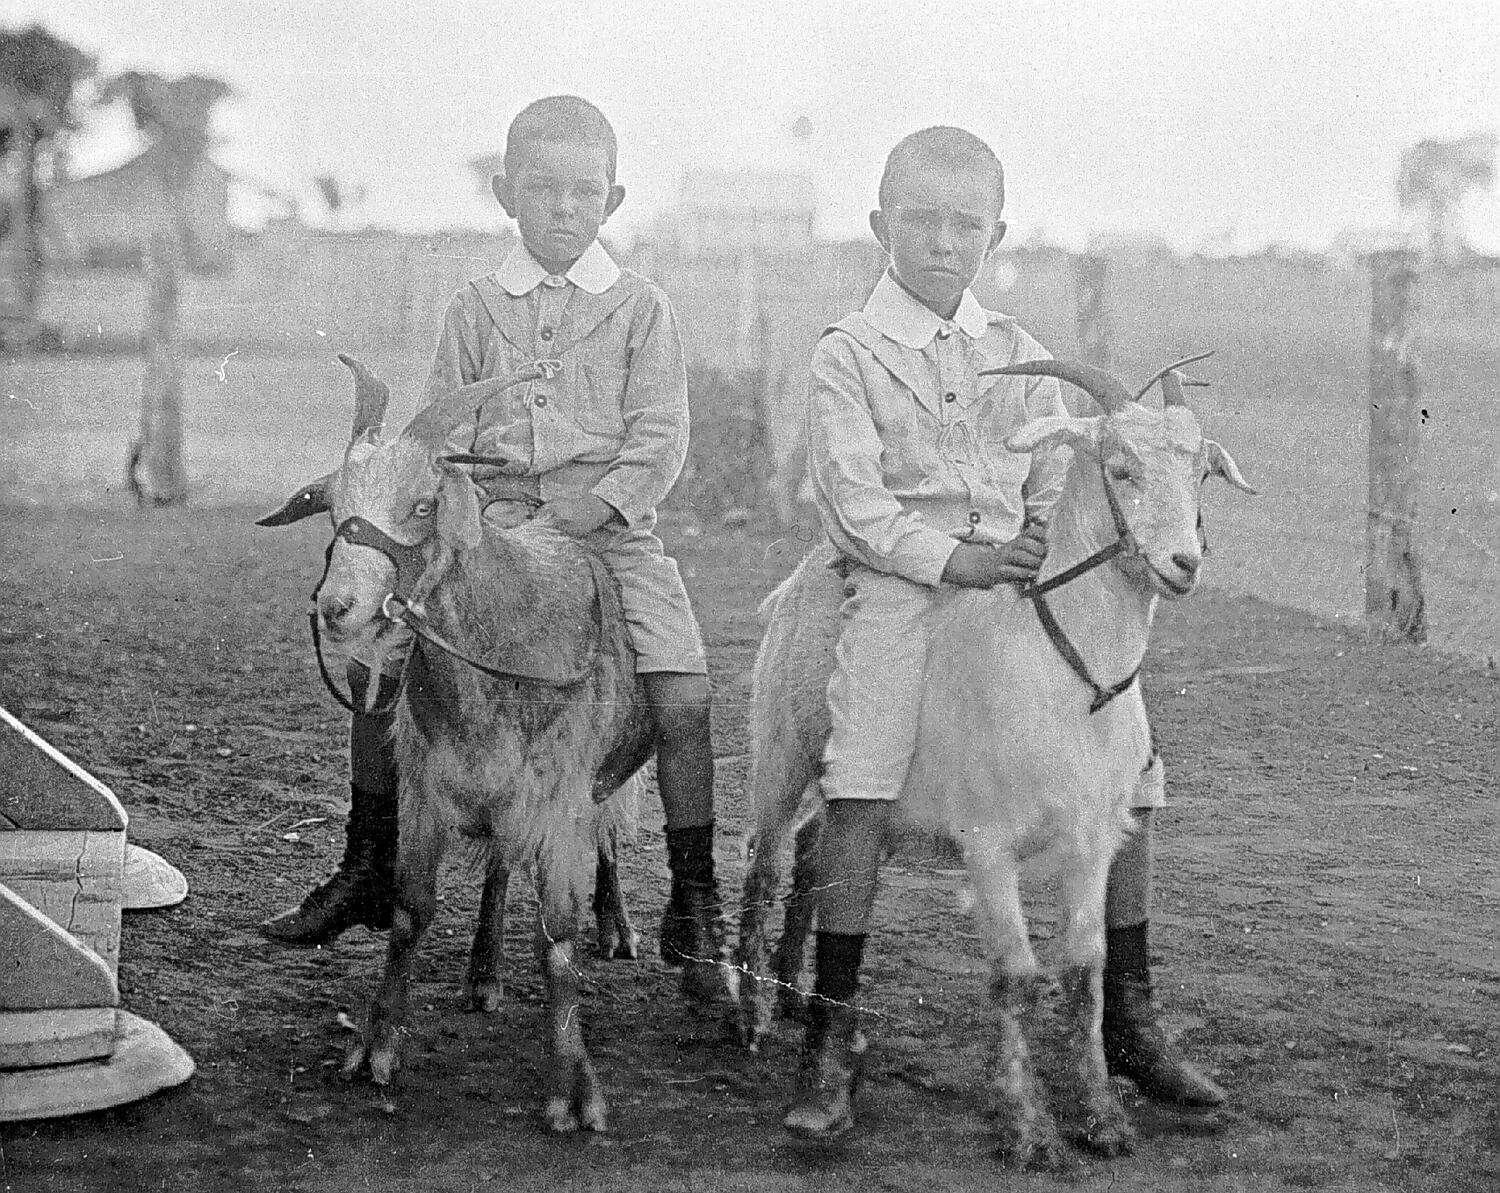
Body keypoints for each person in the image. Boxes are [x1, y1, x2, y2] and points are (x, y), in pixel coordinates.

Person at [783, 126, 1226, 1139]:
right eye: (921, 220)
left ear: (996, 233)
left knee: (1135, 774)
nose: (943, 241)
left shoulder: (1016, 351)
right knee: (861, 777)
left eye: (964, 224)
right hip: (909, 581)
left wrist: (1031, 540)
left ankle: (1129, 1019)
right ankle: (832, 1029)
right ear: (879, 227)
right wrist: (954, 558)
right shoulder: (849, 353)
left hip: (1017, 579)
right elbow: (852, 501)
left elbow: (1050, 476)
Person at [261, 95, 727, 1005]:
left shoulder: (640, 307)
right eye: (543, 189)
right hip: (490, 523)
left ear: (614, 199)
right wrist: (467, 514)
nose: (563, 207)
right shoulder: (475, 307)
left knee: (683, 688)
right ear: (509, 195)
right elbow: (442, 434)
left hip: (611, 533)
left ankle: (696, 893)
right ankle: (366, 858)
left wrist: (603, 503)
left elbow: (662, 436)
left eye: (584, 191)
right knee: (384, 664)